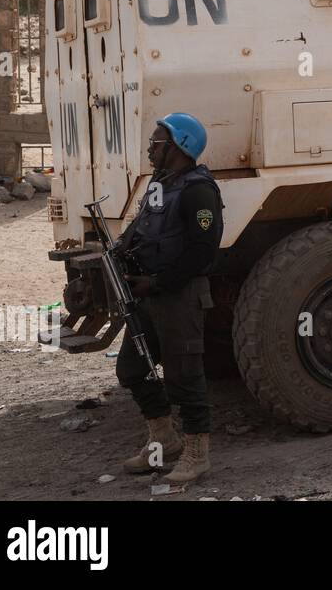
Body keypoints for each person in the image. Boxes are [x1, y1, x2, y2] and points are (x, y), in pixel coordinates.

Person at [115, 112, 223, 484]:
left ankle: (197, 455)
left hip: (178, 296)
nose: (150, 148)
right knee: (130, 368)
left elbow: (202, 252)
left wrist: (158, 282)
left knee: (184, 378)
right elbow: (144, 227)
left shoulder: (198, 190)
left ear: (179, 147)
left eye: (156, 142)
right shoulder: (161, 183)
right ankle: (163, 439)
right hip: (149, 295)